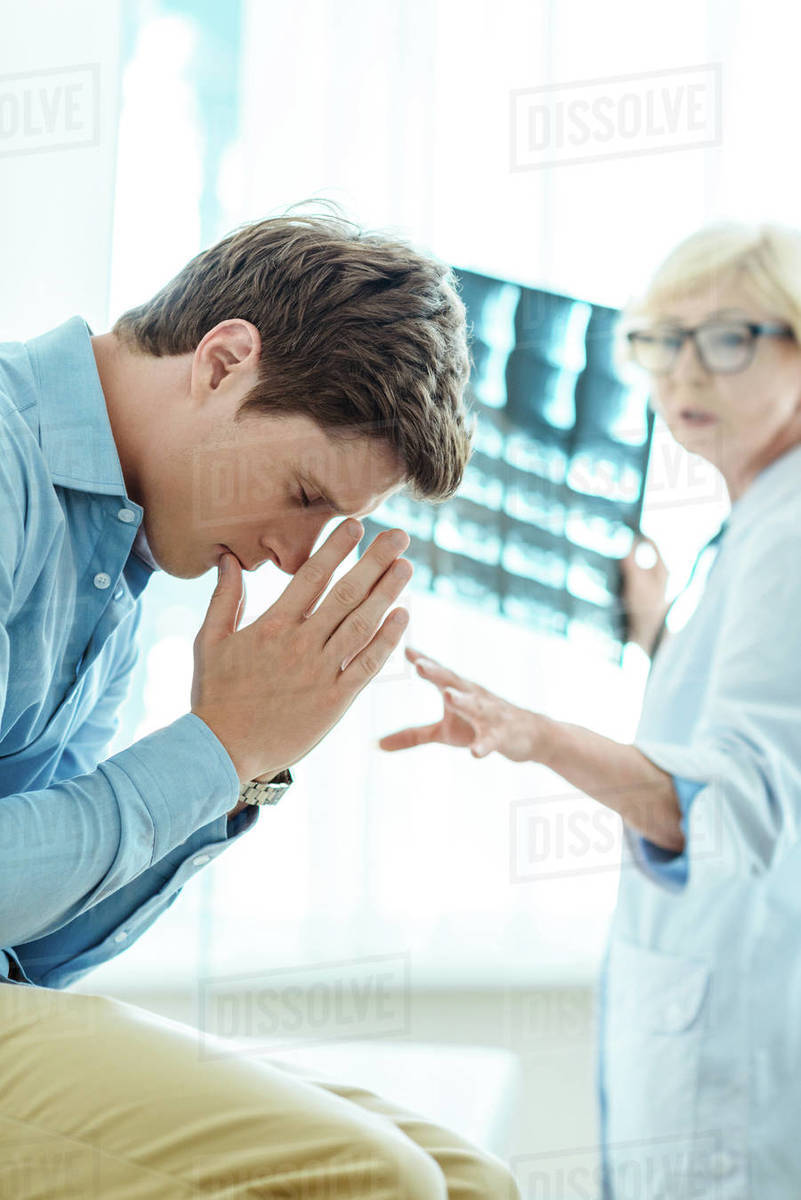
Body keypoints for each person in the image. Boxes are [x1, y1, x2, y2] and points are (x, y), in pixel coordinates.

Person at [0, 211, 520, 1199]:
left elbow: (34, 946)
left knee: (470, 1178)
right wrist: (215, 747)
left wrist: (244, 770)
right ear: (223, 361)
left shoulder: (123, 561)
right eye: (303, 494)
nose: (296, 554)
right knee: (372, 1182)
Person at [380, 222, 801, 1199]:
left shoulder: (785, 534)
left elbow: (733, 801)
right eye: (661, 339)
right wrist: (661, 637)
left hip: (738, 1042)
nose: (682, 372)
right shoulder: (753, 525)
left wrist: (534, 736)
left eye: (728, 338)